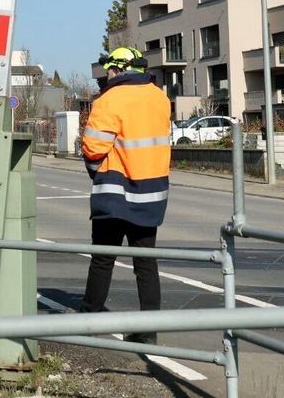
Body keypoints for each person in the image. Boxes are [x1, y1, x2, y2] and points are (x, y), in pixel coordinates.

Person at [80, 46, 172, 346]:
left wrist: (97, 171)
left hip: (115, 193)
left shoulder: (110, 99)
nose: (105, 74)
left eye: (108, 69)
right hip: (152, 192)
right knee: (146, 263)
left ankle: (90, 321)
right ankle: (148, 333)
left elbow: (93, 148)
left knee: (103, 259)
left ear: (118, 69)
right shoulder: (159, 97)